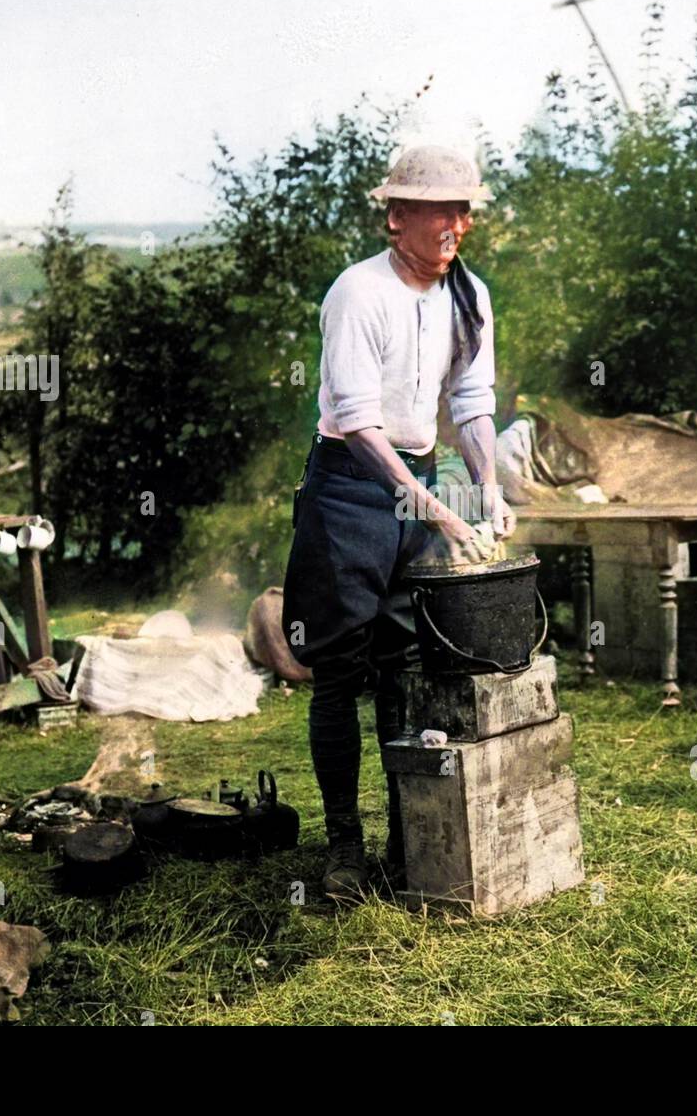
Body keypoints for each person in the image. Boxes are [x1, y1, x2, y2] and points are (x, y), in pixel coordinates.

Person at [281, 143, 517, 900]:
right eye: (440, 210)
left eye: (464, 210)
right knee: (337, 671)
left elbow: (471, 406)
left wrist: (485, 483)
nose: (456, 225)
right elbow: (356, 424)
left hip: (416, 483)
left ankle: (403, 835)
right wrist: (445, 513)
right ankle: (344, 847)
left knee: (403, 666)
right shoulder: (359, 294)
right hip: (350, 490)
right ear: (396, 217)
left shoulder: (469, 297)